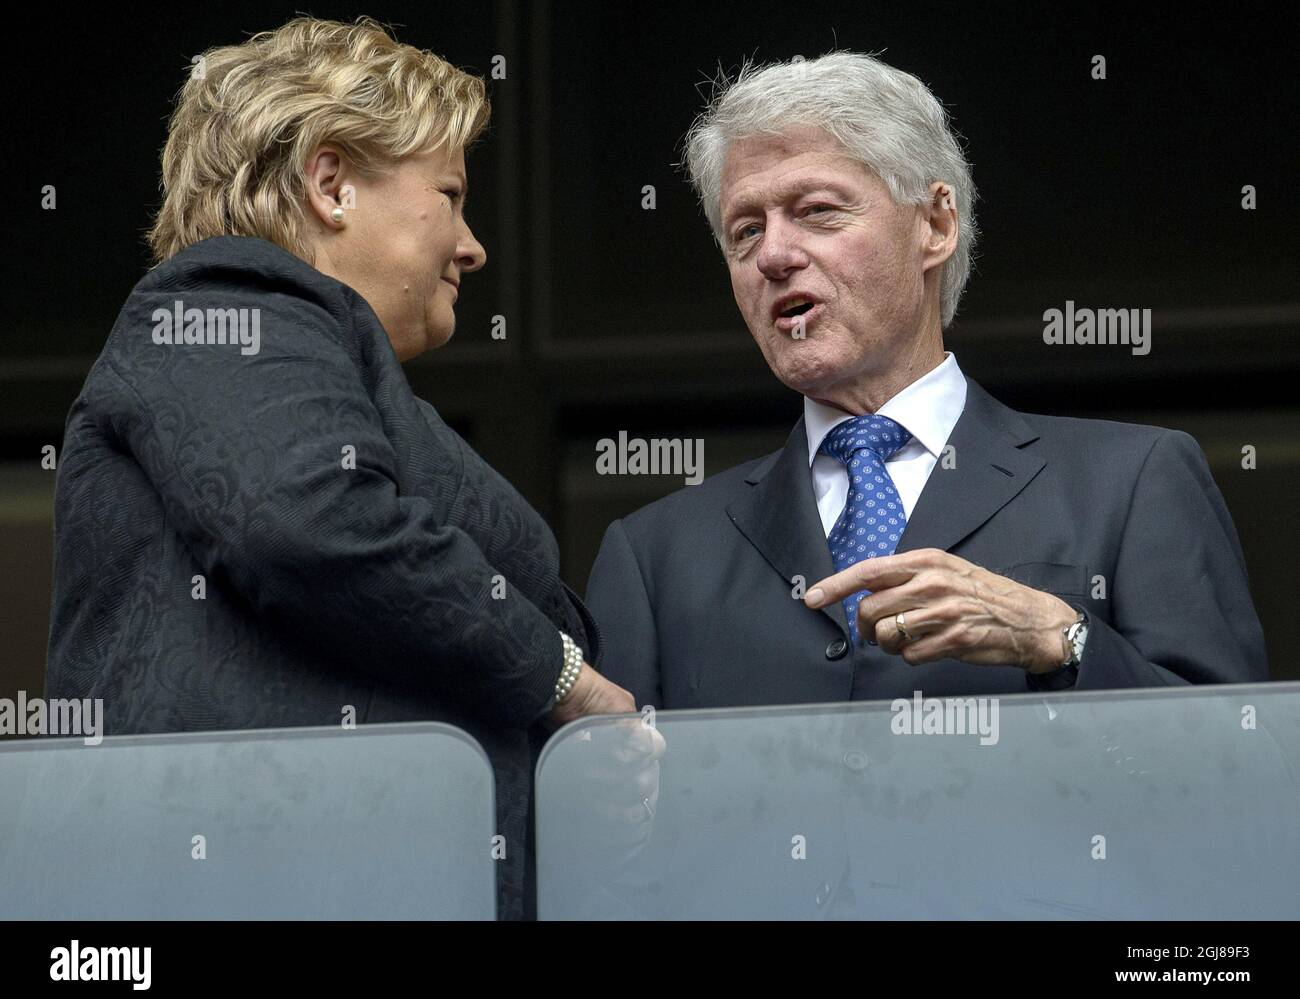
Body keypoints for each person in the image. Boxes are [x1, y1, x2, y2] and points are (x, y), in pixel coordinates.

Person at [44, 16, 635, 921]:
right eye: (450, 193)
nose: (473, 246)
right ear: (330, 184)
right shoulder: (229, 301)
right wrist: (564, 681)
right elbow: (306, 516)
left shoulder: (322, 363)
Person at [585, 52, 1269, 715]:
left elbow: (1240, 771)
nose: (773, 254)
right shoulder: (654, 558)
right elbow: (612, 817)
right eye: (745, 230)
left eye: (818, 210)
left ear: (936, 226)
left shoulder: (1133, 482)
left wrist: (1062, 641)